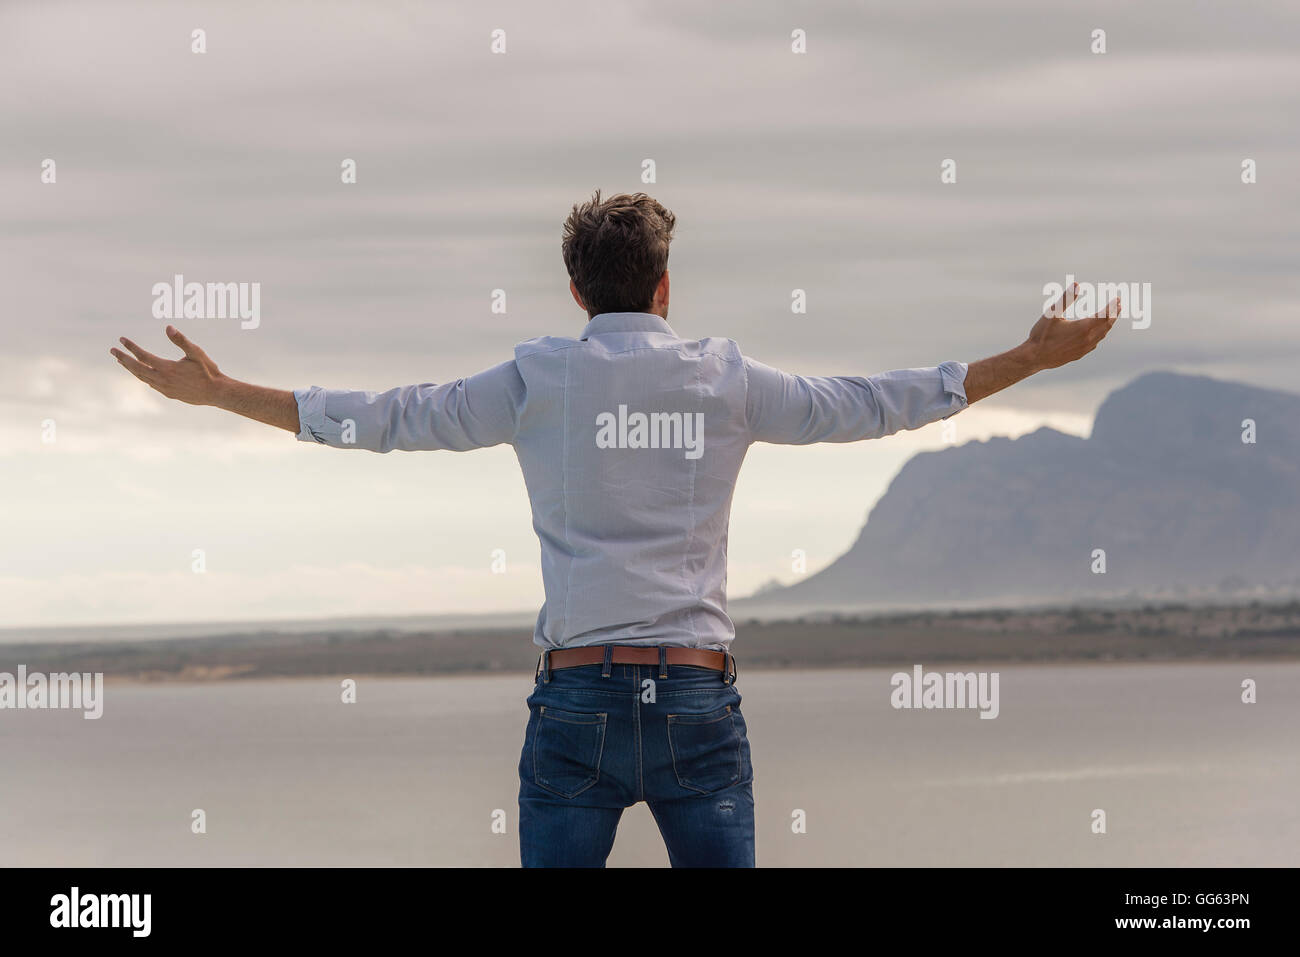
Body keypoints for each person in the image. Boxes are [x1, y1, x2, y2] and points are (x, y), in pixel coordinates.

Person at [111, 190, 1120, 867]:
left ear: (576, 292)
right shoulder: (724, 379)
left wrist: (223, 392)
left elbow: (381, 419)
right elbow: (870, 401)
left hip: (576, 706)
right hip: (693, 699)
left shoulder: (533, 381)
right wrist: (1026, 360)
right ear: (665, 285)